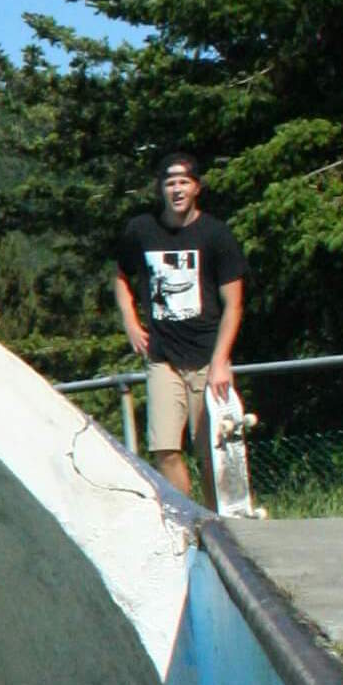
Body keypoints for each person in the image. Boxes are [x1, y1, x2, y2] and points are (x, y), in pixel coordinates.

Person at [114, 152, 246, 501]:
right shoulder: (141, 230)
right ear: (161, 189)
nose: (177, 189)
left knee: (212, 451)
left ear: (196, 188)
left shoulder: (216, 235)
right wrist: (130, 320)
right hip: (163, 358)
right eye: (170, 182)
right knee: (164, 449)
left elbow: (234, 304)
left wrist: (221, 361)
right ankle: (187, 522)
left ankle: (220, 524)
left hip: (206, 358)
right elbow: (119, 274)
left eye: (183, 182)